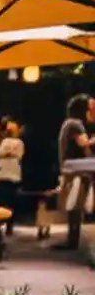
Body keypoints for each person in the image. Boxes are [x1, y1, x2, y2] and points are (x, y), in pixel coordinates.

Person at [56, 93, 94, 248]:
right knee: (75, 204)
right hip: (75, 168)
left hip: (72, 168)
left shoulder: (70, 123)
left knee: (75, 206)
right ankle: (72, 240)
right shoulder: (75, 124)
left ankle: (73, 239)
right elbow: (84, 144)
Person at [0, 120, 25, 233]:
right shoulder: (4, 141)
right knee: (4, 198)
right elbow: (0, 153)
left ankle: (10, 224)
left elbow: (19, 155)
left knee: (12, 199)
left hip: (13, 171)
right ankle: (2, 222)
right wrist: (10, 153)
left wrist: (8, 153)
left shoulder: (19, 142)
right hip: (4, 171)